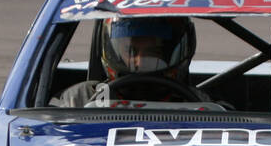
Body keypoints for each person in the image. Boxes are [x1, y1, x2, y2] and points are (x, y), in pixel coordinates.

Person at [56, 15, 212, 107]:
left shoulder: (200, 104)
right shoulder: (78, 99)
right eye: (130, 51)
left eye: (153, 53)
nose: (139, 62)